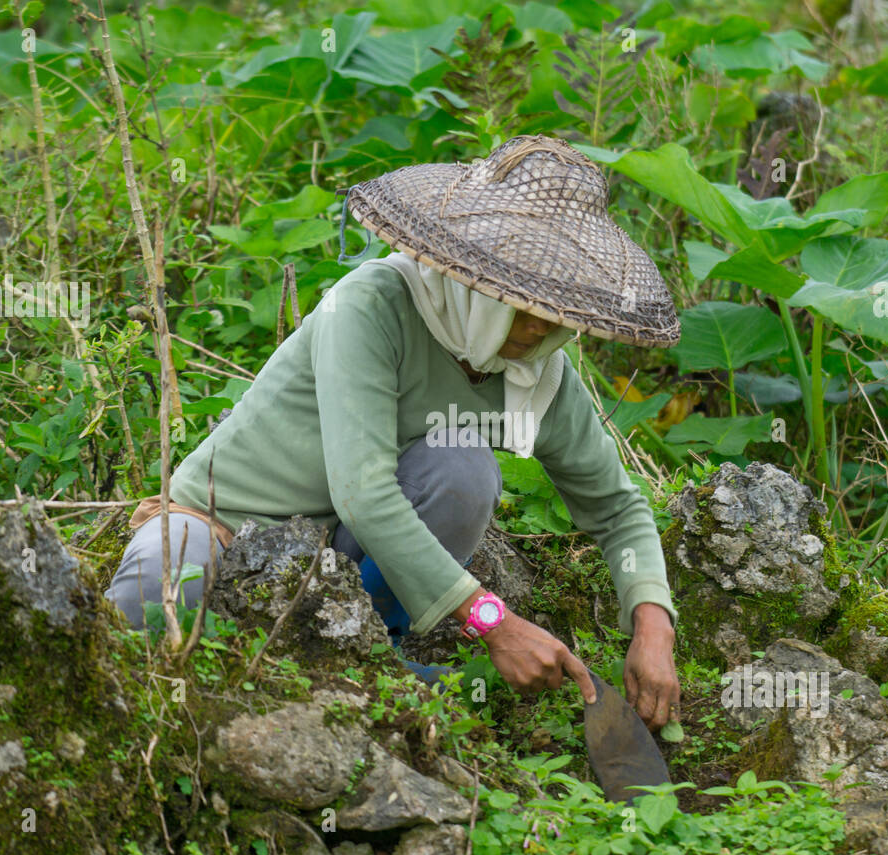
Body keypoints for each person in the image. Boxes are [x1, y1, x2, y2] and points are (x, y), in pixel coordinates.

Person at [105, 135, 683, 730]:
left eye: (552, 305)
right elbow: (364, 491)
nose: (538, 326)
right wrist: (492, 622)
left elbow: (616, 507)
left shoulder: (536, 374)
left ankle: (368, 649)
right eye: (522, 298)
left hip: (347, 567)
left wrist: (652, 622)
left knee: (464, 466)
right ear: (477, 275)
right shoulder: (372, 306)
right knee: (147, 602)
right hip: (224, 527)